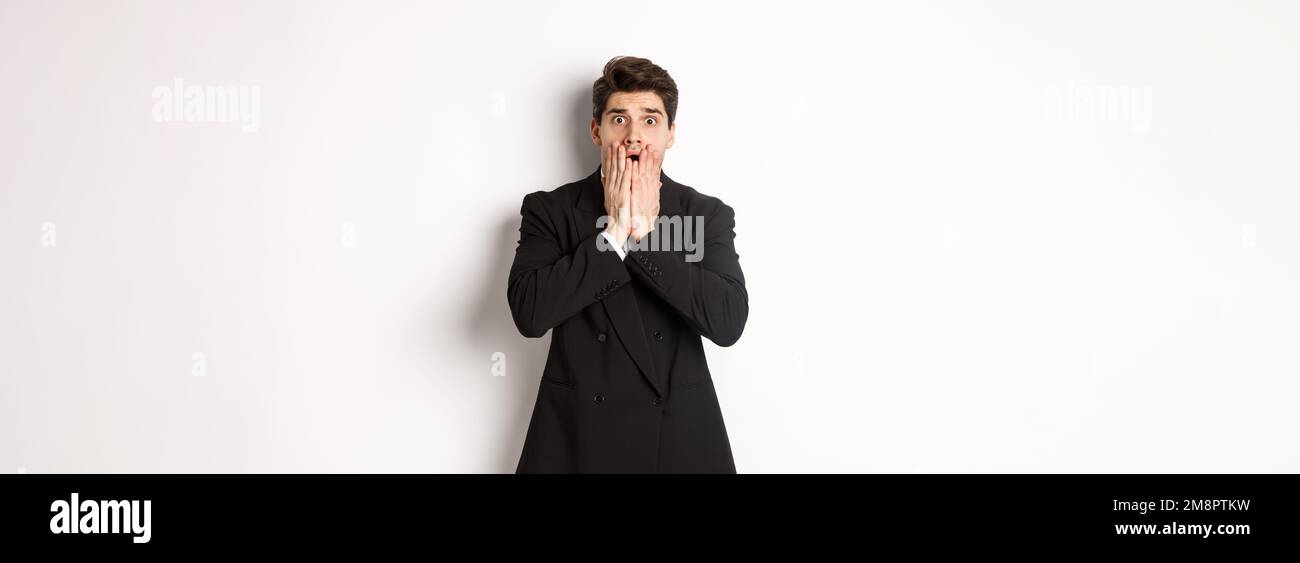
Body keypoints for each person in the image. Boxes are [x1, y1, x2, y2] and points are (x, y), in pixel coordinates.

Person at [507, 56, 748, 473]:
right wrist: (615, 233)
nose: (634, 136)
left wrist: (644, 237)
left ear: (671, 134)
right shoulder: (551, 210)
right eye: (619, 119)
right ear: (596, 130)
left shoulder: (705, 214)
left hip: (677, 440)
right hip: (577, 438)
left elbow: (727, 323)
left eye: (650, 120)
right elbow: (531, 315)